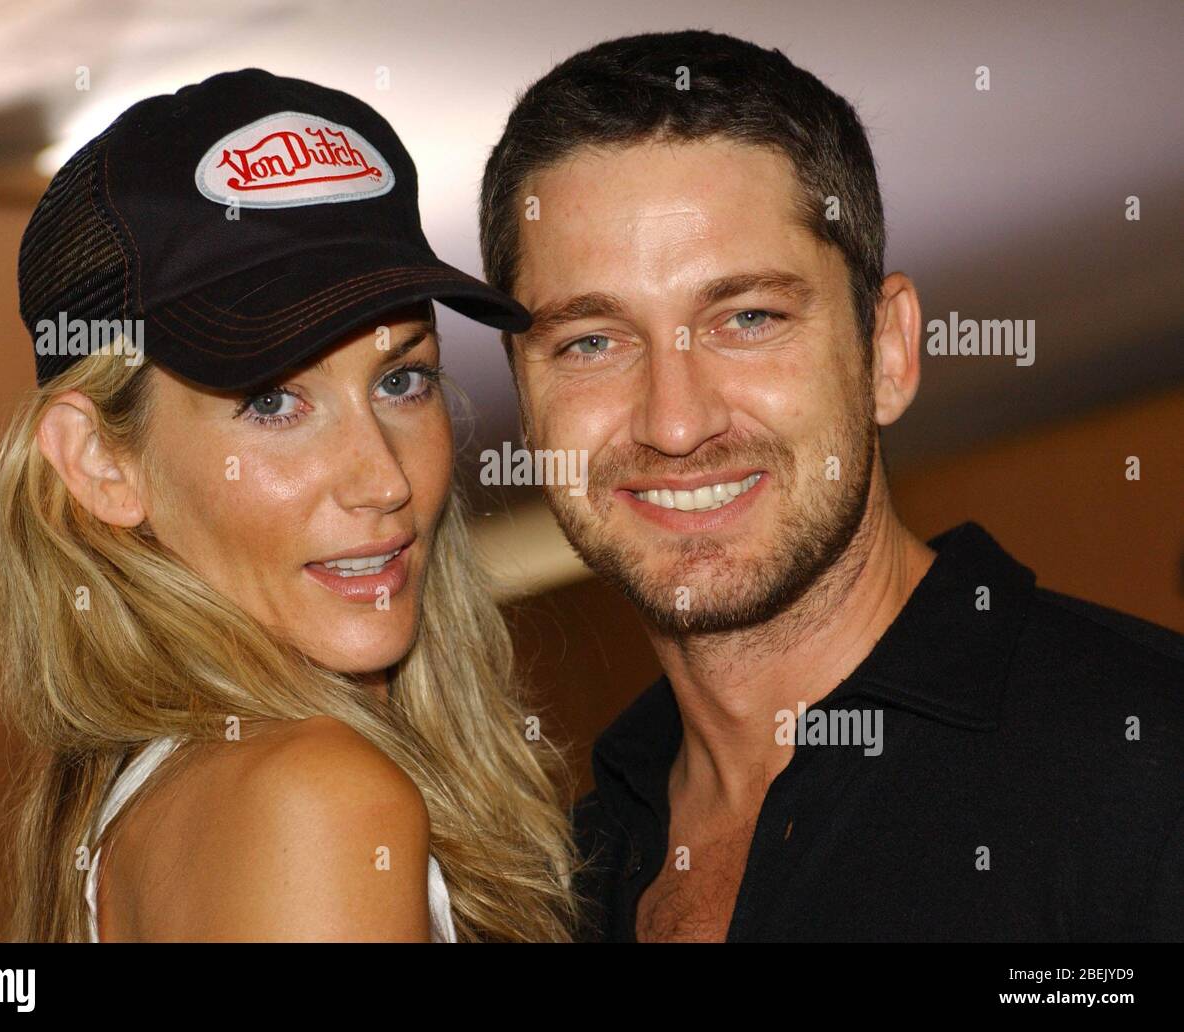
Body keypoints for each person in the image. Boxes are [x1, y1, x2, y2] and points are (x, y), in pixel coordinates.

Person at [478, 31, 1184, 941]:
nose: (675, 422)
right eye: (591, 342)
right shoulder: (546, 890)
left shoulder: (1149, 768)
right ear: (526, 398)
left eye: (747, 318)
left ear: (886, 352)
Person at [0, 68, 578, 942]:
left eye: (403, 378)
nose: (383, 479)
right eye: (273, 402)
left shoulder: (163, 802)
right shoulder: (314, 800)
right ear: (101, 462)